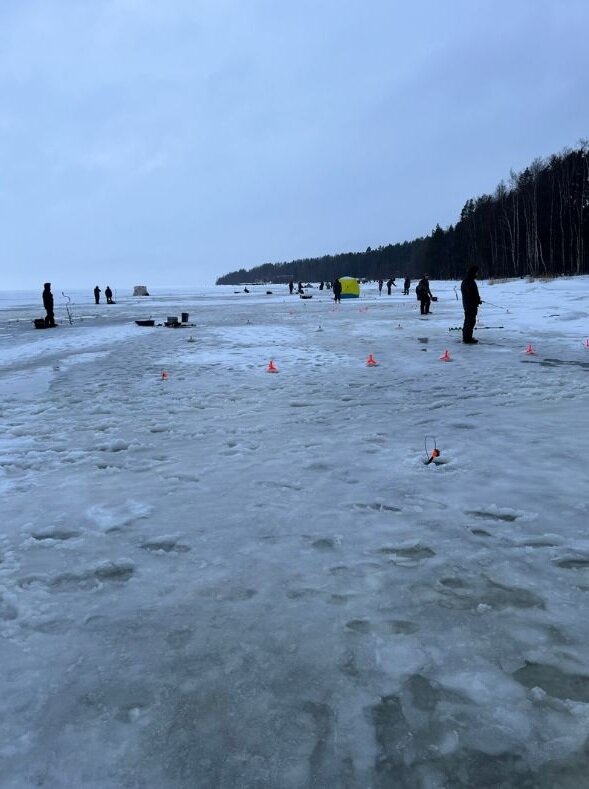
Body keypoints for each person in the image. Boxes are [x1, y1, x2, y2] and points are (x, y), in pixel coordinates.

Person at [461, 265, 482, 344]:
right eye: (476, 272)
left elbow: (473, 294)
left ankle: (466, 337)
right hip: (470, 305)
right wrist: (476, 300)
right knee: (470, 321)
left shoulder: (468, 280)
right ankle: (467, 338)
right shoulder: (468, 281)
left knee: (468, 321)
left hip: (469, 304)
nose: (477, 274)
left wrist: (477, 300)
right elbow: (470, 294)